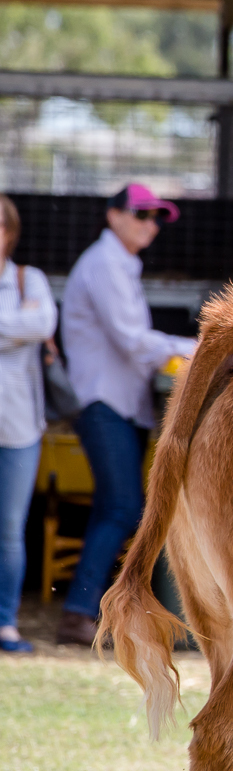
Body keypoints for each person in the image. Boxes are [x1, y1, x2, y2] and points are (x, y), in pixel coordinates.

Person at [56, 184, 197, 646]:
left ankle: (86, 612)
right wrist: (201, 349)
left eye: (157, 217)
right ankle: (79, 613)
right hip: (102, 402)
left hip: (121, 403)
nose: (149, 224)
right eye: (141, 214)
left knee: (117, 508)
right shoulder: (103, 265)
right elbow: (132, 341)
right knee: (122, 508)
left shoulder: (121, 264)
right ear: (113, 215)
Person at [0, 196, 56, 655]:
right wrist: (14, 327)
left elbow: (42, 323)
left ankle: (6, 624)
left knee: (10, 529)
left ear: (10, 232)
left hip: (18, 425)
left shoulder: (27, 279)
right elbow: (27, 325)